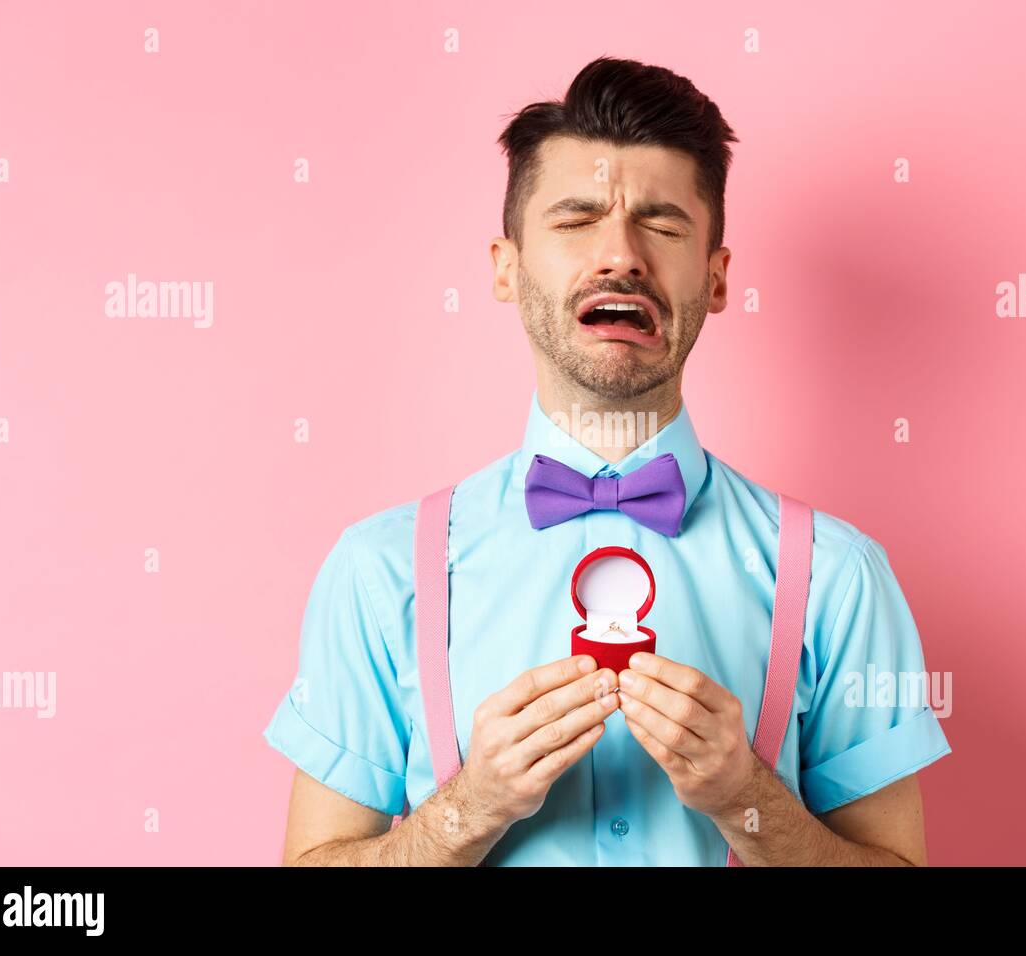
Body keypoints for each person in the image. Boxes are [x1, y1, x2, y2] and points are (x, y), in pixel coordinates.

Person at [263, 56, 951, 866]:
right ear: (506, 268)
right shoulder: (379, 572)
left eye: (662, 224)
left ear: (717, 277)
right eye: (577, 218)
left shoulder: (839, 575)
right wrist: (469, 809)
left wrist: (748, 801)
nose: (620, 254)